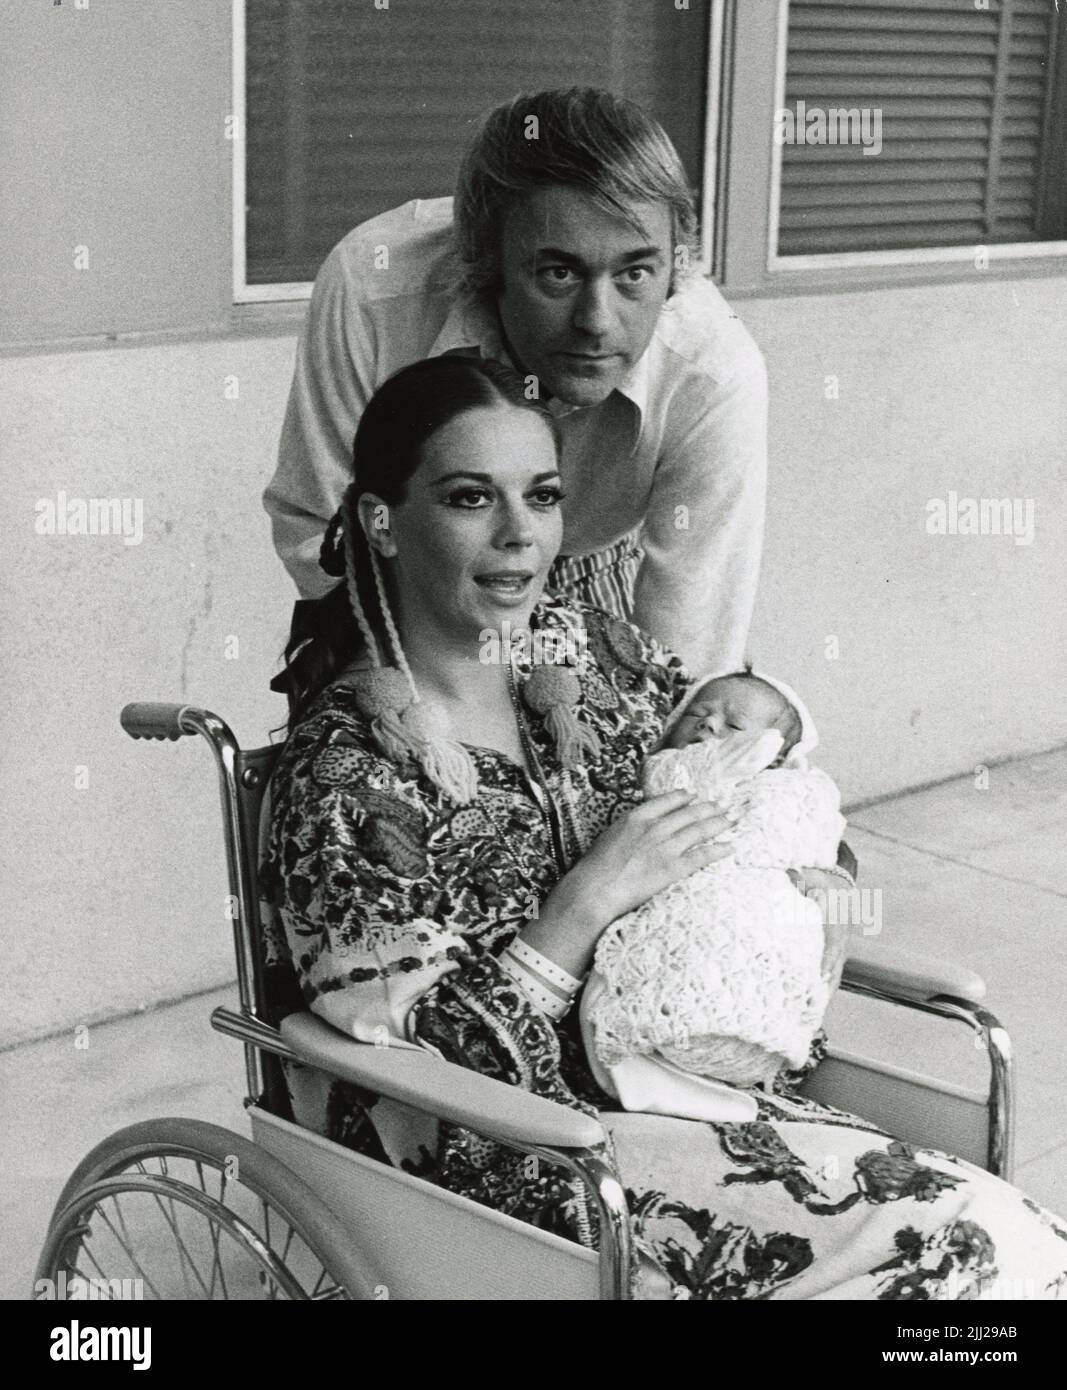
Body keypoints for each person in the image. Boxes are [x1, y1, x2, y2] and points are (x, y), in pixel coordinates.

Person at [261, 355, 1067, 1300]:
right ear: (383, 522)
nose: (521, 535)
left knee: (1009, 1247)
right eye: (471, 498)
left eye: (543, 495)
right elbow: (406, 1076)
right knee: (958, 1260)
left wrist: (821, 878)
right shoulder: (349, 770)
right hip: (522, 1162)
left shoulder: (591, 657)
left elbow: (751, 770)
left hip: (687, 1088)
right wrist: (588, 898)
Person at [263, 86, 768, 674]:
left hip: (595, 565)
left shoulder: (713, 371)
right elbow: (319, 519)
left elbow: (688, 651)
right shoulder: (372, 288)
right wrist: (408, 689)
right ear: (487, 261)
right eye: (558, 273)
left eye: (634, 272)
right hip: (404, 584)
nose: (597, 324)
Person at [580, 670, 847, 1120]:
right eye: (698, 715)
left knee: (759, 959)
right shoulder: (671, 772)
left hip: (769, 919)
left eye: (735, 727)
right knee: (676, 954)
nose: (708, 726)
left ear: (782, 754)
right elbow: (670, 781)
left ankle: (745, 1044)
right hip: (695, 894)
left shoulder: (800, 788)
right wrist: (726, 758)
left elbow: (825, 840)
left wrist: (838, 887)